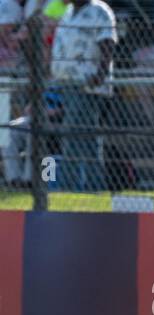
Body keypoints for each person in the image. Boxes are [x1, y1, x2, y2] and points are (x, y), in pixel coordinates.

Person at [49, 0, 115, 191]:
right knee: (86, 138)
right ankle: (94, 186)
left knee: (74, 135)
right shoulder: (68, 11)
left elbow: (107, 44)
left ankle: (69, 186)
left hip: (87, 85)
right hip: (66, 83)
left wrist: (100, 74)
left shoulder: (99, 11)